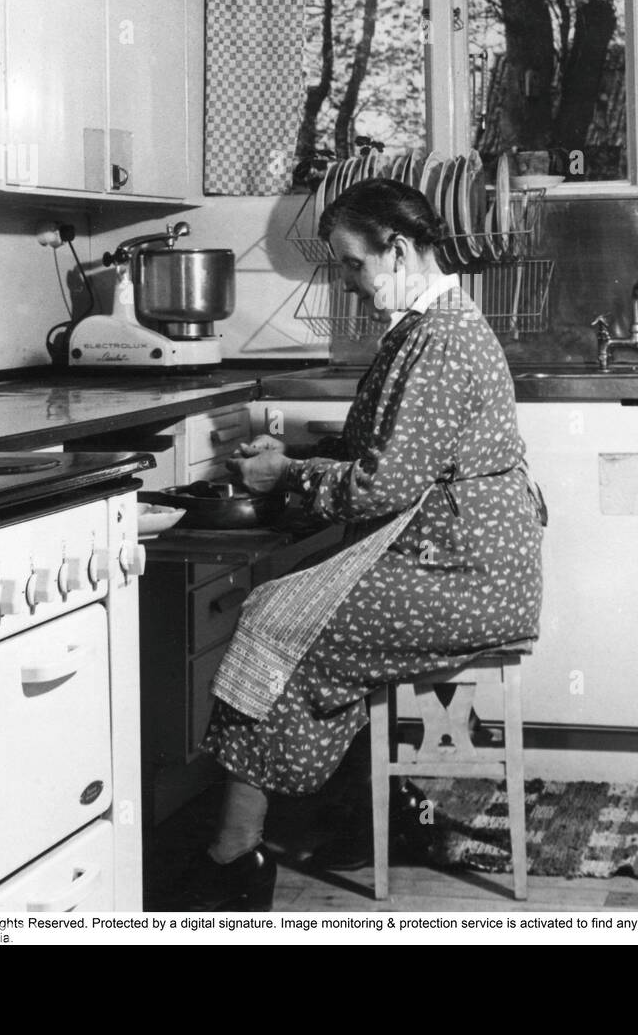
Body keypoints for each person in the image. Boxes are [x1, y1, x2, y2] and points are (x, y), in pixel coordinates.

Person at [190, 175, 544, 910]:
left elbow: (384, 485)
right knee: (299, 610)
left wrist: (287, 473)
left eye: (353, 264)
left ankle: (235, 855)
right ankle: (356, 814)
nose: (349, 283)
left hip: (465, 576)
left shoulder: (438, 338)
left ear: (401, 248)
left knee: (275, 618)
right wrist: (299, 457)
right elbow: (390, 448)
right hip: (455, 557)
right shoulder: (426, 326)